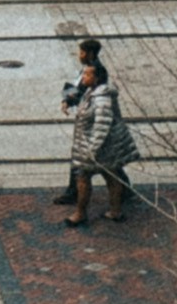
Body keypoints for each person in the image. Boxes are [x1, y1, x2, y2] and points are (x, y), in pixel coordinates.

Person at [59, 35, 138, 225]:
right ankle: (115, 209)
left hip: (98, 147)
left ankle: (80, 212)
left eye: (87, 75)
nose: (83, 76)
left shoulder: (101, 97)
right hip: (99, 145)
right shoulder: (92, 88)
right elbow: (77, 87)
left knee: (85, 175)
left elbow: (102, 126)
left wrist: (91, 150)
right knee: (111, 174)